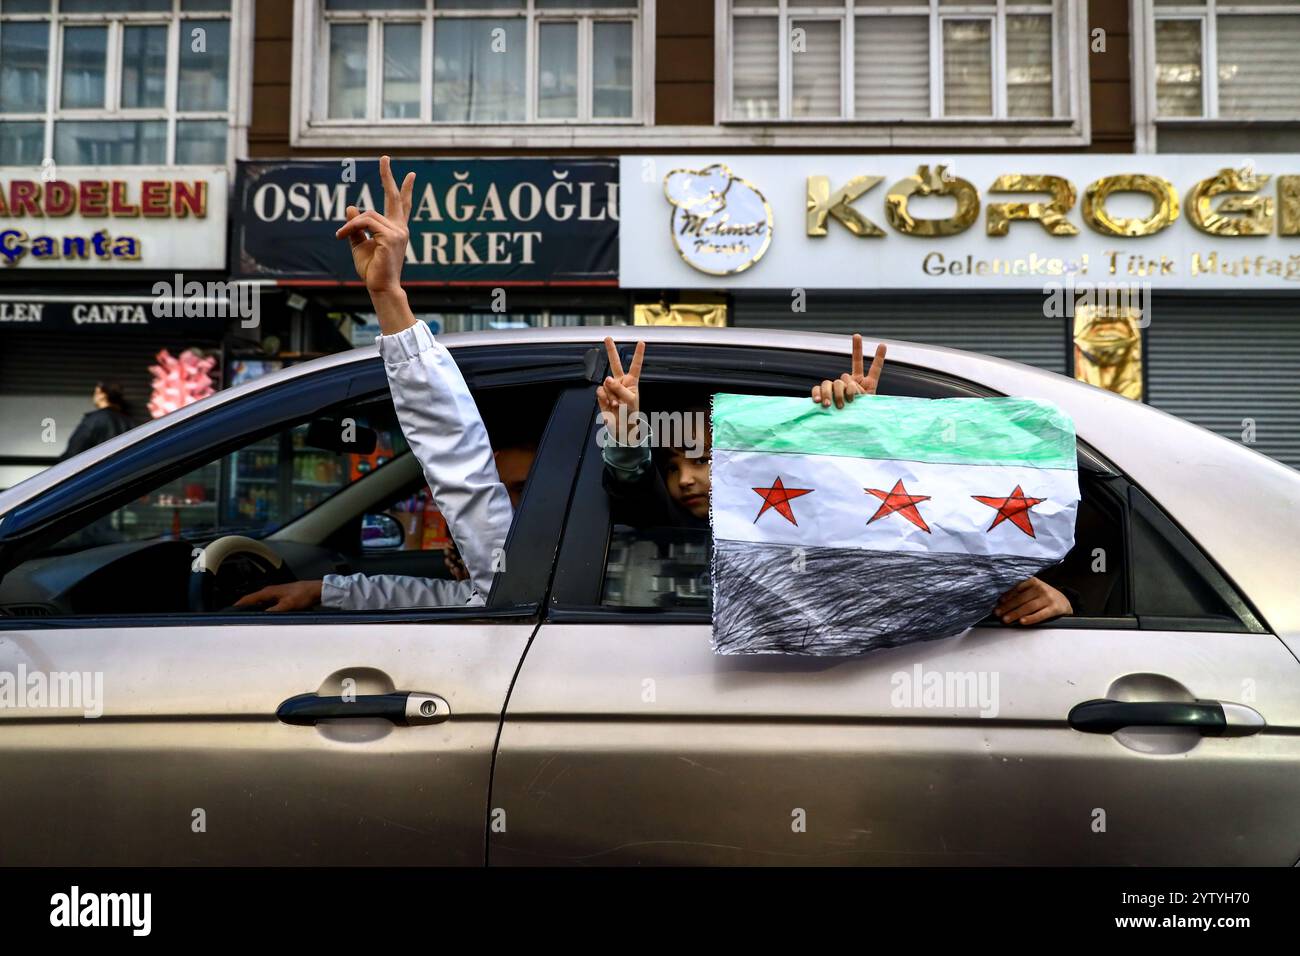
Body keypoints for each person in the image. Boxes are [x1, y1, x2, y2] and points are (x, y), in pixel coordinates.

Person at [598, 334, 1076, 627]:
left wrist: (855, 435)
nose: (684, 479)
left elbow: (902, 536)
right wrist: (625, 433)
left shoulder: (810, 521)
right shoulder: (662, 522)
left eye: (703, 461)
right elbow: (632, 491)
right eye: (672, 466)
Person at [236, 156, 515, 613]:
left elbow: (458, 460)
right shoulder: (522, 587)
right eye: (507, 489)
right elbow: (456, 599)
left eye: (516, 491)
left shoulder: (535, 587)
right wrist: (321, 591)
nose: (503, 501)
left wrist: (388, 297)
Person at [60, 382, 135, 460]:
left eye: (96, 392)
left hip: (96, 470)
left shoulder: (95, 420)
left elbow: (75, 450)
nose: (94, 396)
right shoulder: (128, 422)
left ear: (102, 395)